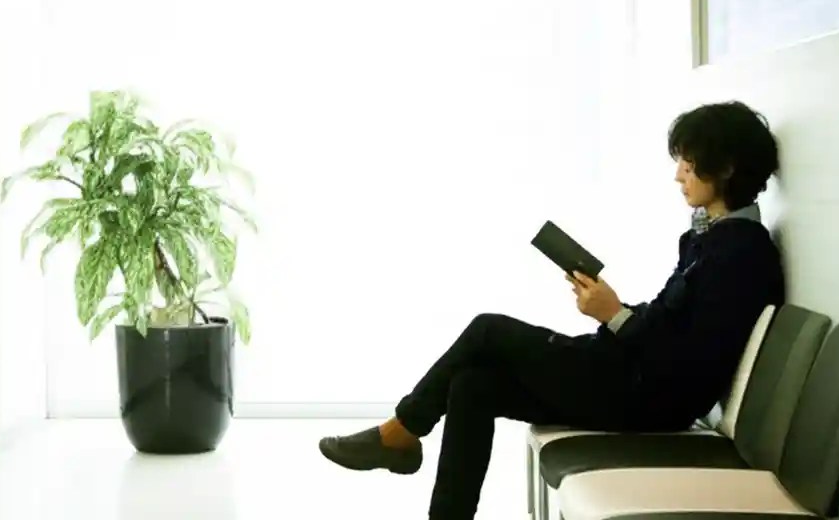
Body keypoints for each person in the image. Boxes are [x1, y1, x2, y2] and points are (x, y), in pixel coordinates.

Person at [317, 100, 785, 520]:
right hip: (630, 375)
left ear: (724, 167)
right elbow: (674, 321)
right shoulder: (712, 238)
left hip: (648, 398)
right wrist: (614, 309)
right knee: (472, 385)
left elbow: (689, 363)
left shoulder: (742, 252)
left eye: (687, 161)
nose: (678, 174)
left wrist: (615, 316)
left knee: (488, 330)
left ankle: (401, 431)